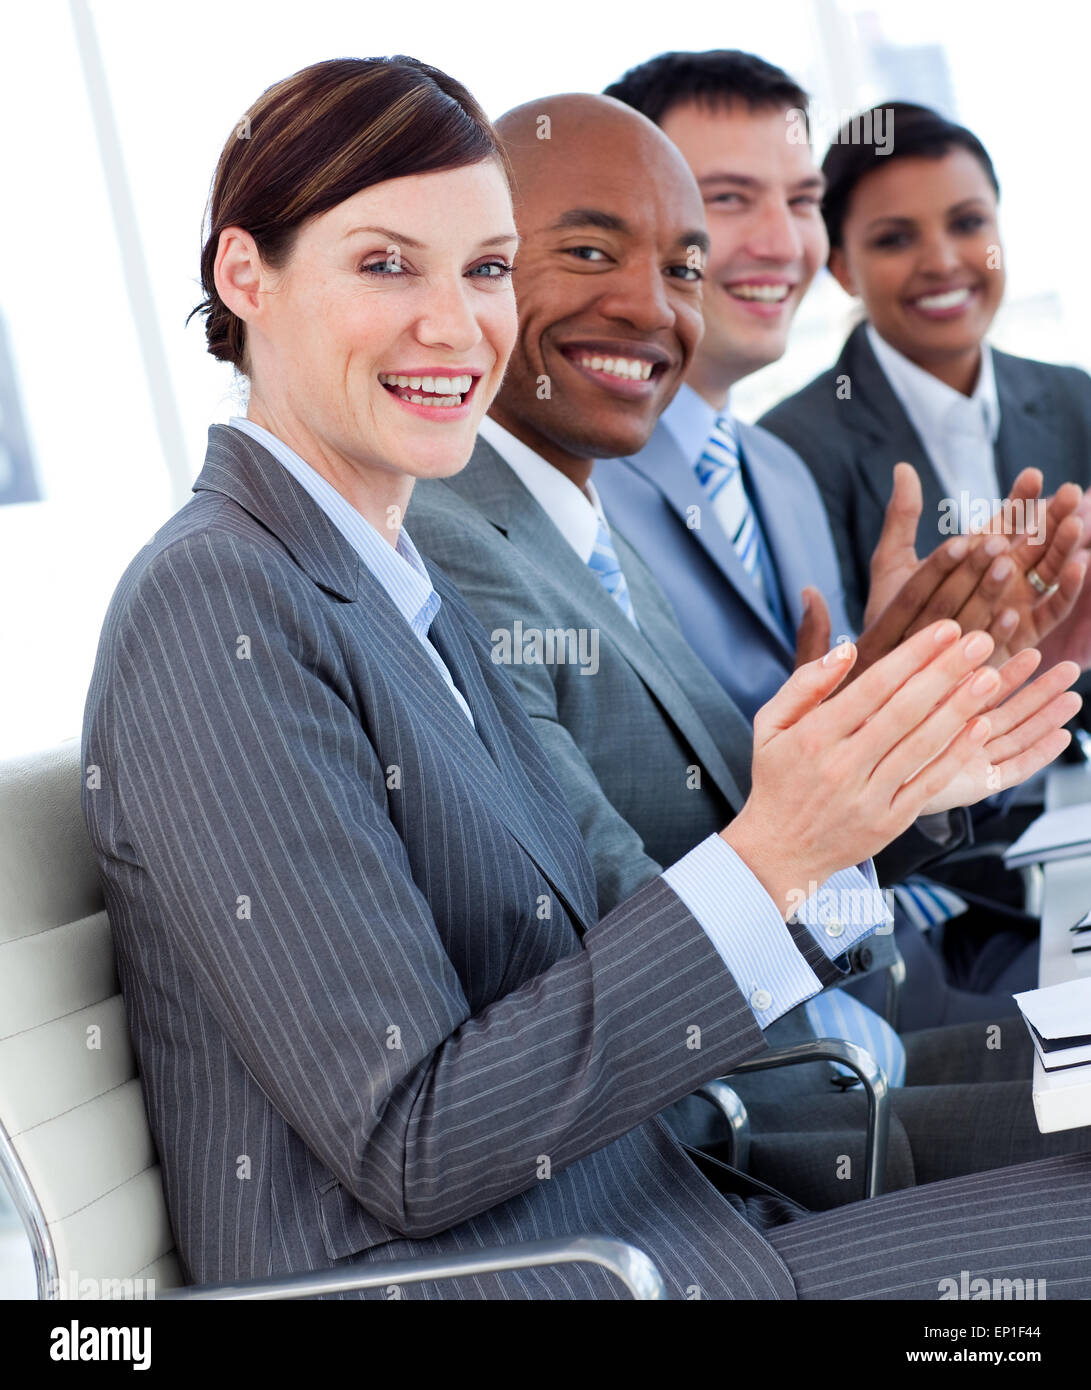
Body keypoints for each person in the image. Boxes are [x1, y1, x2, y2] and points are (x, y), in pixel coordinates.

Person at [80, 55, 1091, 1300]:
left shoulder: (395, 587)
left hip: (664, 1203)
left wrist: (879, 759)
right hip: (560, 1270)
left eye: (485, 268)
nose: (455, 326)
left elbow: (575, 961)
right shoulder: (218, 598)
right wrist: (777, 852)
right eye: (386, 263)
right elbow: (412, 1142)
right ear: (248, 274)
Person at [405, 90, 1087, 1208]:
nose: (654, 299)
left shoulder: (588, 526)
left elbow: (758, 857)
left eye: (682, 262)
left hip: (832, 1048)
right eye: (588, 247)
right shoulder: (460, 546)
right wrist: (870, 746)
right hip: (743, 1133)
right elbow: (648, 927)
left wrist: (898, 715)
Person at [598, 50, 1087, 1024]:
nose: (777, 240)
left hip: (907, 950)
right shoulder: (590, 505)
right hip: (806, 1027)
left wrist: (933, 696)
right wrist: (907, 712)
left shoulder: (765, 475)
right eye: (728, 198)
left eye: (796, 200)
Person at [760, 101, 1091, 660]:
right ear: (841, 269)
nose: (940, 262)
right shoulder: (789, 451)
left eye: (967, 224)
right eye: (894, 239)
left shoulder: (1074, 396)